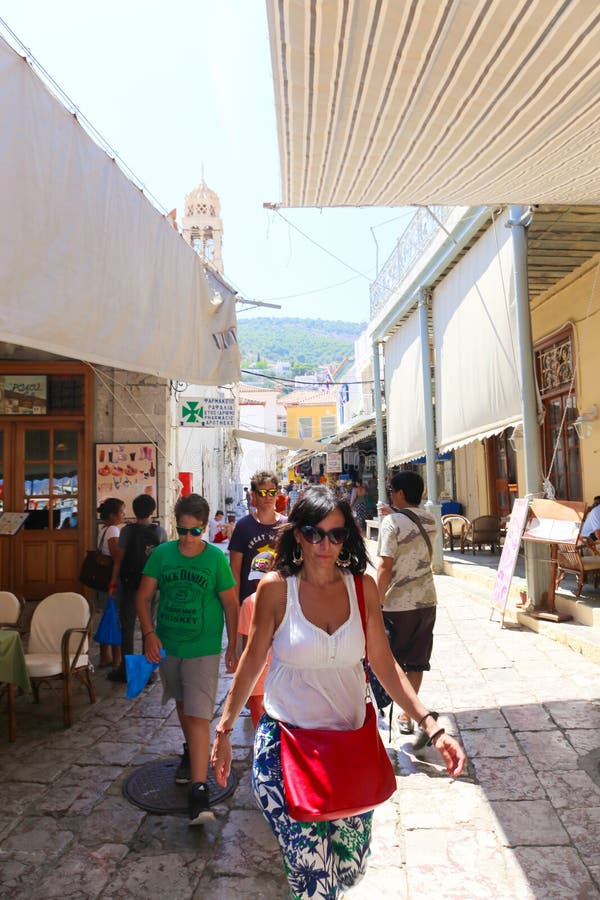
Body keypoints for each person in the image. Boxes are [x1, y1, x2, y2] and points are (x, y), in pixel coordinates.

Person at [211, 486, 465, 899]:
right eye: (314, 533)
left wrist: (431, 725)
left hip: (350, 751)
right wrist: (223, 731)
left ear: (347, 538)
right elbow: (252, 661)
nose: (324, 545)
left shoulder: (361, 588)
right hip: (287, 750)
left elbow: (385, 665)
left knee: (350, 869)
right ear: (298, 534)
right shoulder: (276, 589)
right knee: (314, 882)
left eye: (336, 534)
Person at [137, 493, 239, 826]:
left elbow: (231, 604)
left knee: (198, 715)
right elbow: (143, 597)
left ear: (205, 528)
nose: (187, 538)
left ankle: (199, 791)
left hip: (203, 648)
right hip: (169, 646)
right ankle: (191, 752)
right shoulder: (162, 555)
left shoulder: (215, 560)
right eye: (182, 530)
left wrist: (233, 645)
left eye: (195, 531)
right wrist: (149, 634)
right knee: (183, 706)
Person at [376, 470, 438, 743]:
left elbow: (384, 566)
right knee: (416, 661)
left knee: (388, 662)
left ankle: (394, 709)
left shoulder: (391, 522)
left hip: (396, 603)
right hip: (426, 601)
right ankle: (407, 715)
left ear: (400, 493)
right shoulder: (430, 520)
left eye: (392, 490)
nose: (390, 494)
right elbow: (411, 526)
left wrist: (375, 601)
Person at [107, 494, 167, 683]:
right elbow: (164, 561)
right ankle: (147, 670)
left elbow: (119, 559)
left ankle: (125, 669)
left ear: (134, 511)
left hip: (129, 584)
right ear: (152, 511)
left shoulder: (127, 531)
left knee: (127, 626)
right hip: (152, 585)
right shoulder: (159, 532)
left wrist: (113, 583)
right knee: (149, 626)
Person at [228, 470, 287, 606]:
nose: (268, 497)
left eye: (272, 492)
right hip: (249, 603)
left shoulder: (286, 525)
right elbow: (235, 571)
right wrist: (236, 608)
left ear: (277, 494)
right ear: (254, 495)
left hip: (279, 604)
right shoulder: (243, 526)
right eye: (262, 493)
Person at [96, 498, 125, 670]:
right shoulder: (113, 530)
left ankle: (104, 656)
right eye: (121, 512)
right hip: (112, 579)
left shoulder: (104, 529)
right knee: (116, 619)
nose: (123, 515)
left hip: (104, 579)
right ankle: (116, 658)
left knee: (108, 617)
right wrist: (114, 583)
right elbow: (117, 559)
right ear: (113, 515)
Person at [237, 591, 270, 728]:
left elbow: (248, 649)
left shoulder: (249, 602)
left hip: (259, 680)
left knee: (262, 730)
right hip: (262, 681)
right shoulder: (249, 603)